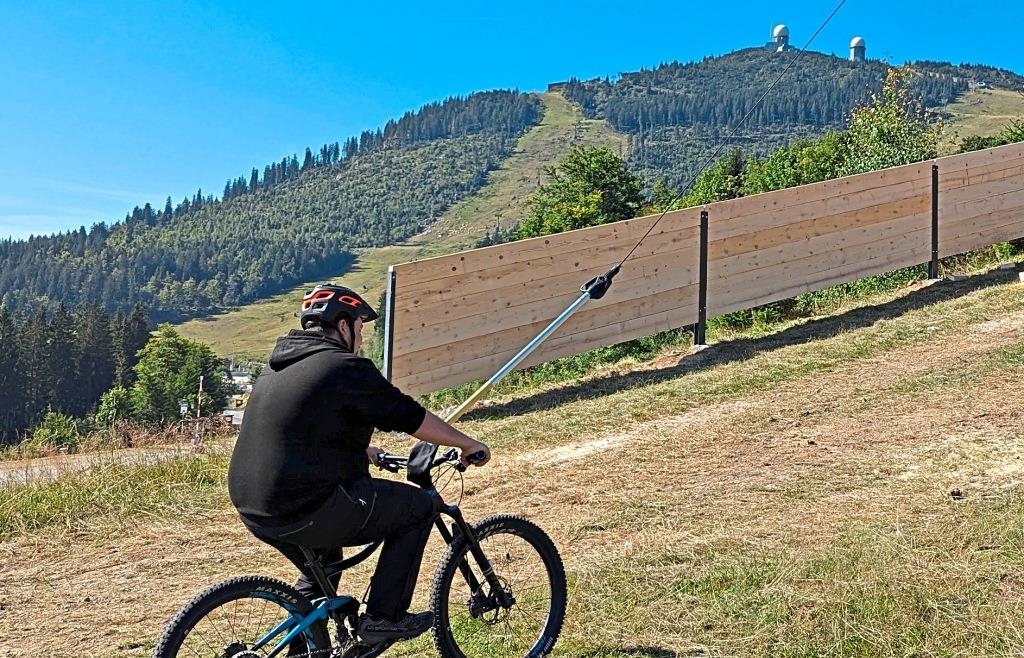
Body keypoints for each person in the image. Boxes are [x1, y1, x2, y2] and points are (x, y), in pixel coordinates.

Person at [227, 282, 491, 644]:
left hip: (254, 505)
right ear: (343, 325)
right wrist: (467, 442)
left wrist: (367, 452)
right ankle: (385, 618)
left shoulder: (278, 368)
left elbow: (305, 427)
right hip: (305, 505)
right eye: (360, 327)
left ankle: (307, 646)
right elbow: (408, 416)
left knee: (324, 565)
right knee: (419, 506)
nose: (361, 338)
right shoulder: (344, 366)